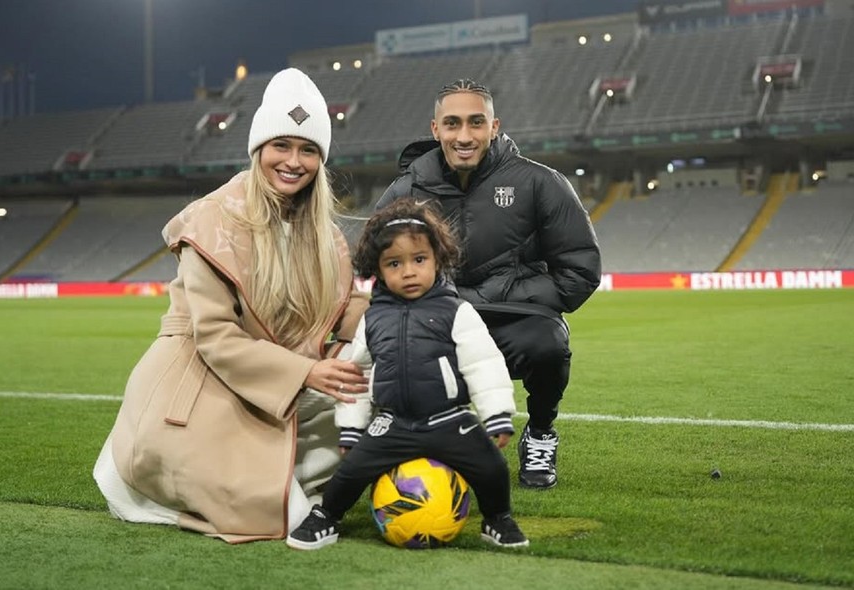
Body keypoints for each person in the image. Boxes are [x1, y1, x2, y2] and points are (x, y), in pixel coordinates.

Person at [92, 68, 369, 543]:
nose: (293, 161)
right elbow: (216, 338)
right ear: (259, 148)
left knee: (385, 384)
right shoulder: (212, 219)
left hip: (270, 385)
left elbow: (345, 307)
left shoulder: (323, 235)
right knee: (288, 515)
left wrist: (380, 323)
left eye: (308, 150)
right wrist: (305, 373)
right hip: (200, 389)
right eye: (281, 145)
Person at [375, 79, 602, 490]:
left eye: (476, 123)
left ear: (494, 126)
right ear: (435, 129)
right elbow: (380, 270)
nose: (464, 136)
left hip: (511, 324)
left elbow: (579, 271)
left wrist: (480, 301)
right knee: (385, 343)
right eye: (453, 124)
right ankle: (420, 437)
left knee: (548, 342)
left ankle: (540, 433)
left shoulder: (540, 183)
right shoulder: (407, 191)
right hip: (440, 329)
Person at [287, 197, 528, 550]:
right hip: (394, 424)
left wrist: (496, 416)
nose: (409, 271)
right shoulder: (372, 319)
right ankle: (326, 517)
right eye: (394, 263)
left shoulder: (456, 312)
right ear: (378, 270)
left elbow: (484, 363)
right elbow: (359, 375)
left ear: (437, 259)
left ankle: (498, 519)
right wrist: (352, 427)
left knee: (491, 468)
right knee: (350, 472)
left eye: (419, 260)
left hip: (449, 421)